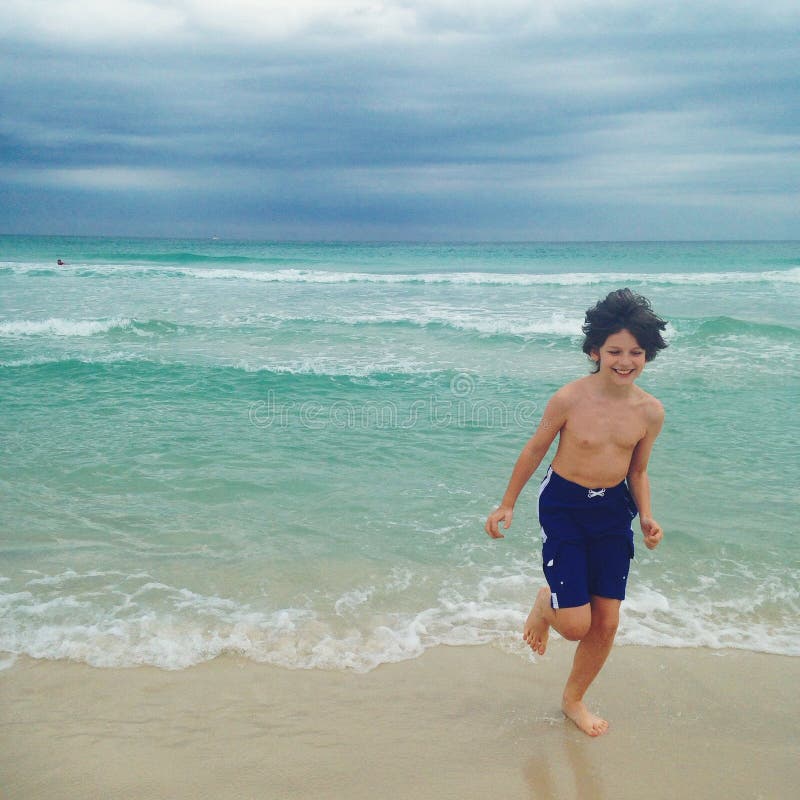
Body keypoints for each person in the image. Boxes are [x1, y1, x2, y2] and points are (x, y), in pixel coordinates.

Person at [485, 288, 668, 737]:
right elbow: (535, 450)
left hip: (612, 511)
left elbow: (639, 470)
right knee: (574, 625)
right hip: (564, 506)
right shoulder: (569, 399)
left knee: (606, 622)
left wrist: (646, 515)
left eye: (635, 352)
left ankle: (573, 699)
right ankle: (545, 606)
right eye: (614, 351)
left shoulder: (650, 412)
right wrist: (507, 503)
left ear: (647, 355)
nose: (625, 361)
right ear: (595, 351)